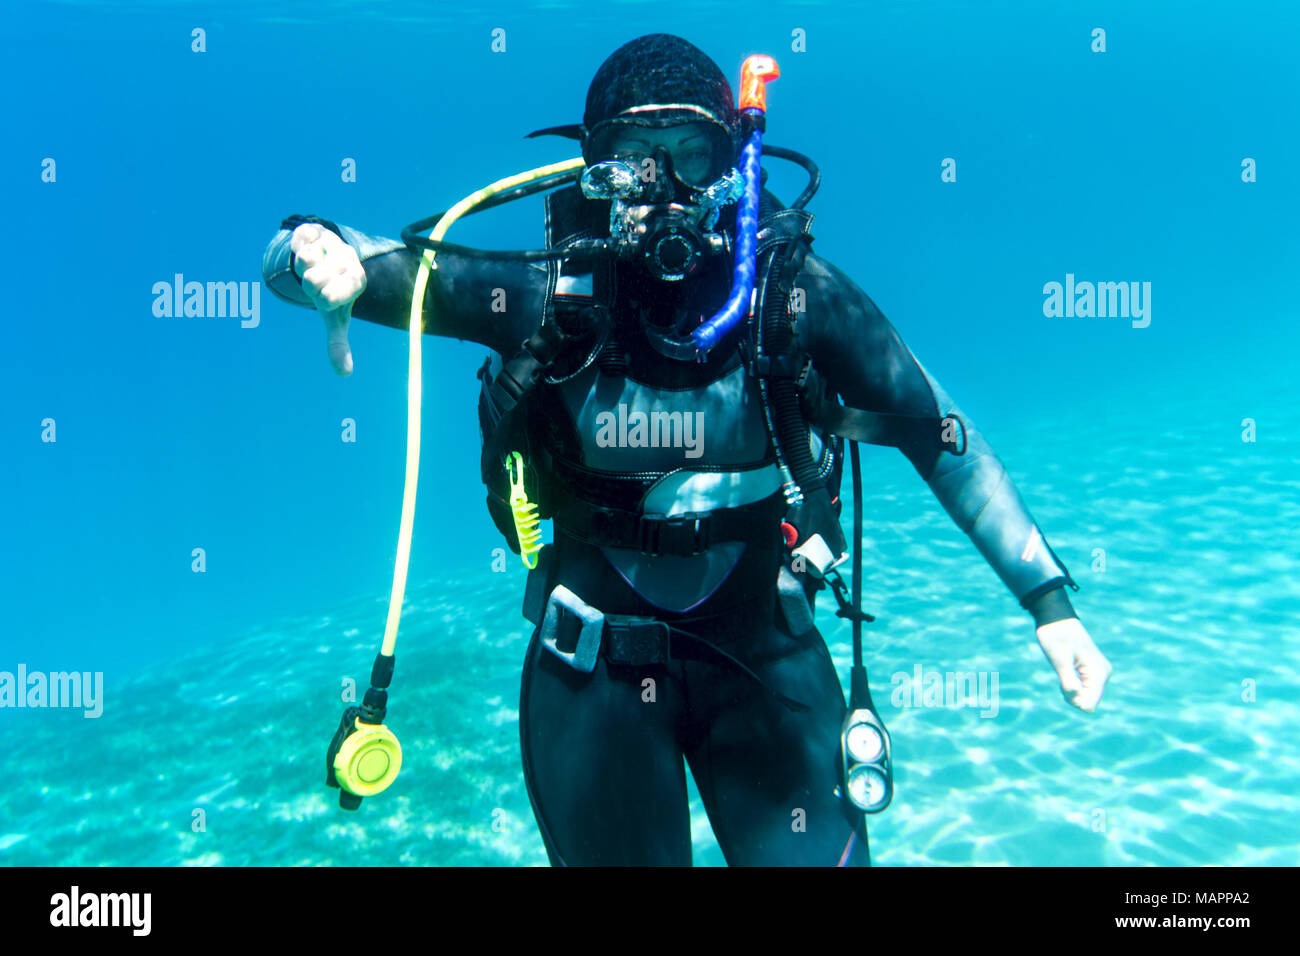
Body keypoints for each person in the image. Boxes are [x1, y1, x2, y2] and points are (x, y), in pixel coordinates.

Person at [262, 34, 1111, 866]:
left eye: (691, 155)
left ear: (733, 160)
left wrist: (1049, 602)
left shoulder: (796, 297)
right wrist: (311, 256)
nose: (665, 189)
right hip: (591, 670)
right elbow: (329, 261)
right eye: (635, 160)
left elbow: (943, 436)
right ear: (591, 171)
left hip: (767, 649)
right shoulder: (541, 296)